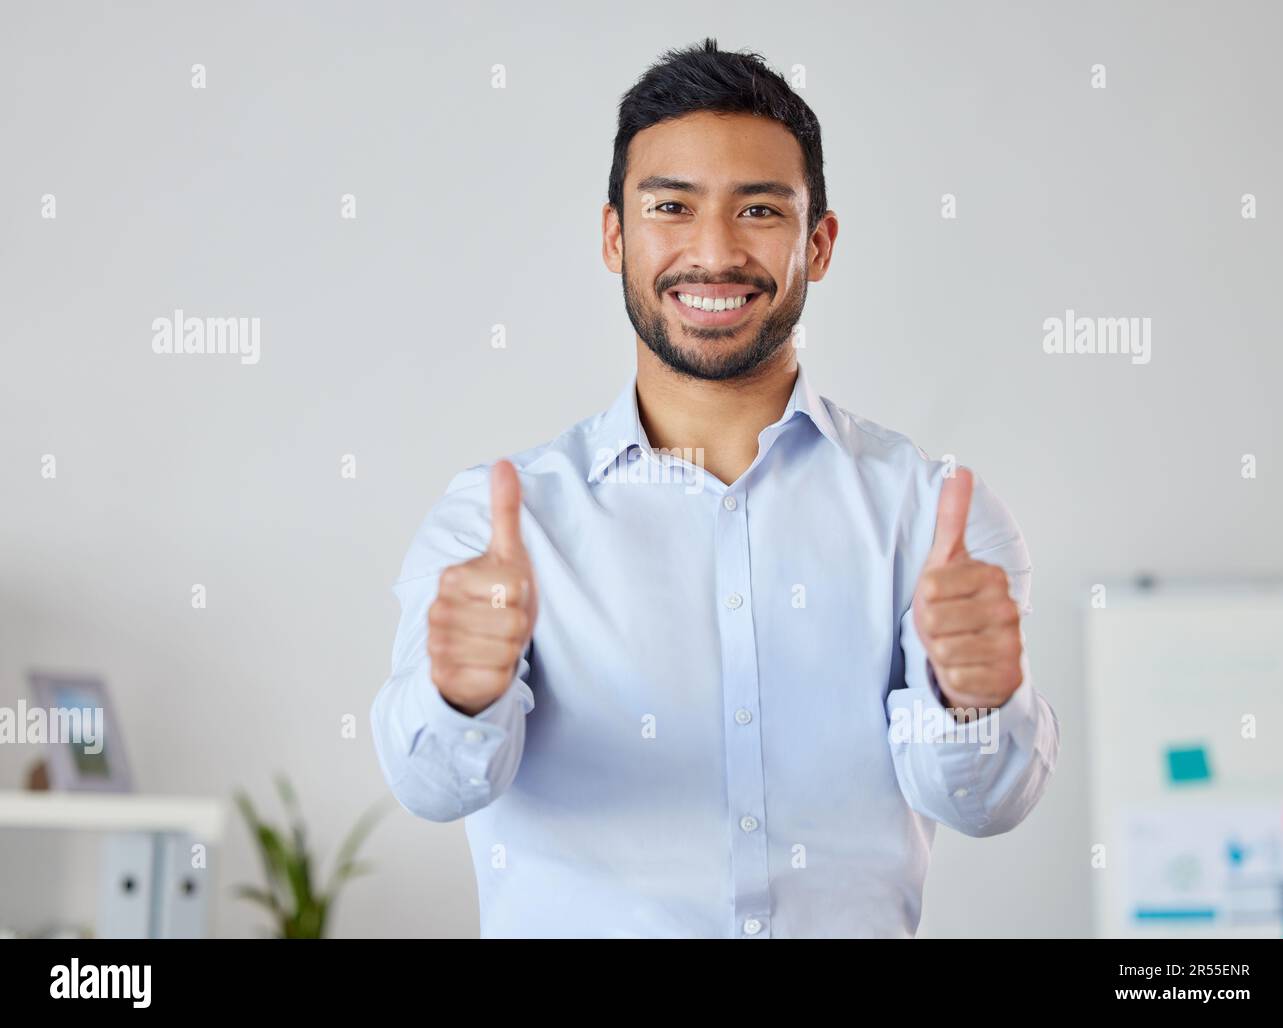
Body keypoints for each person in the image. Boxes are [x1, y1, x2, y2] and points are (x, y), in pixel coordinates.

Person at [371, 38, 1059, 938]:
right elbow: (431, 787)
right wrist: (462, 694)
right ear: (615, 236)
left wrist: (974, 701)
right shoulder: (499, 523)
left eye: (761, 211)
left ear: (819, 243)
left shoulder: (931, 518)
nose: (715, 252)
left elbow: (985, 805)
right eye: (670, 206)